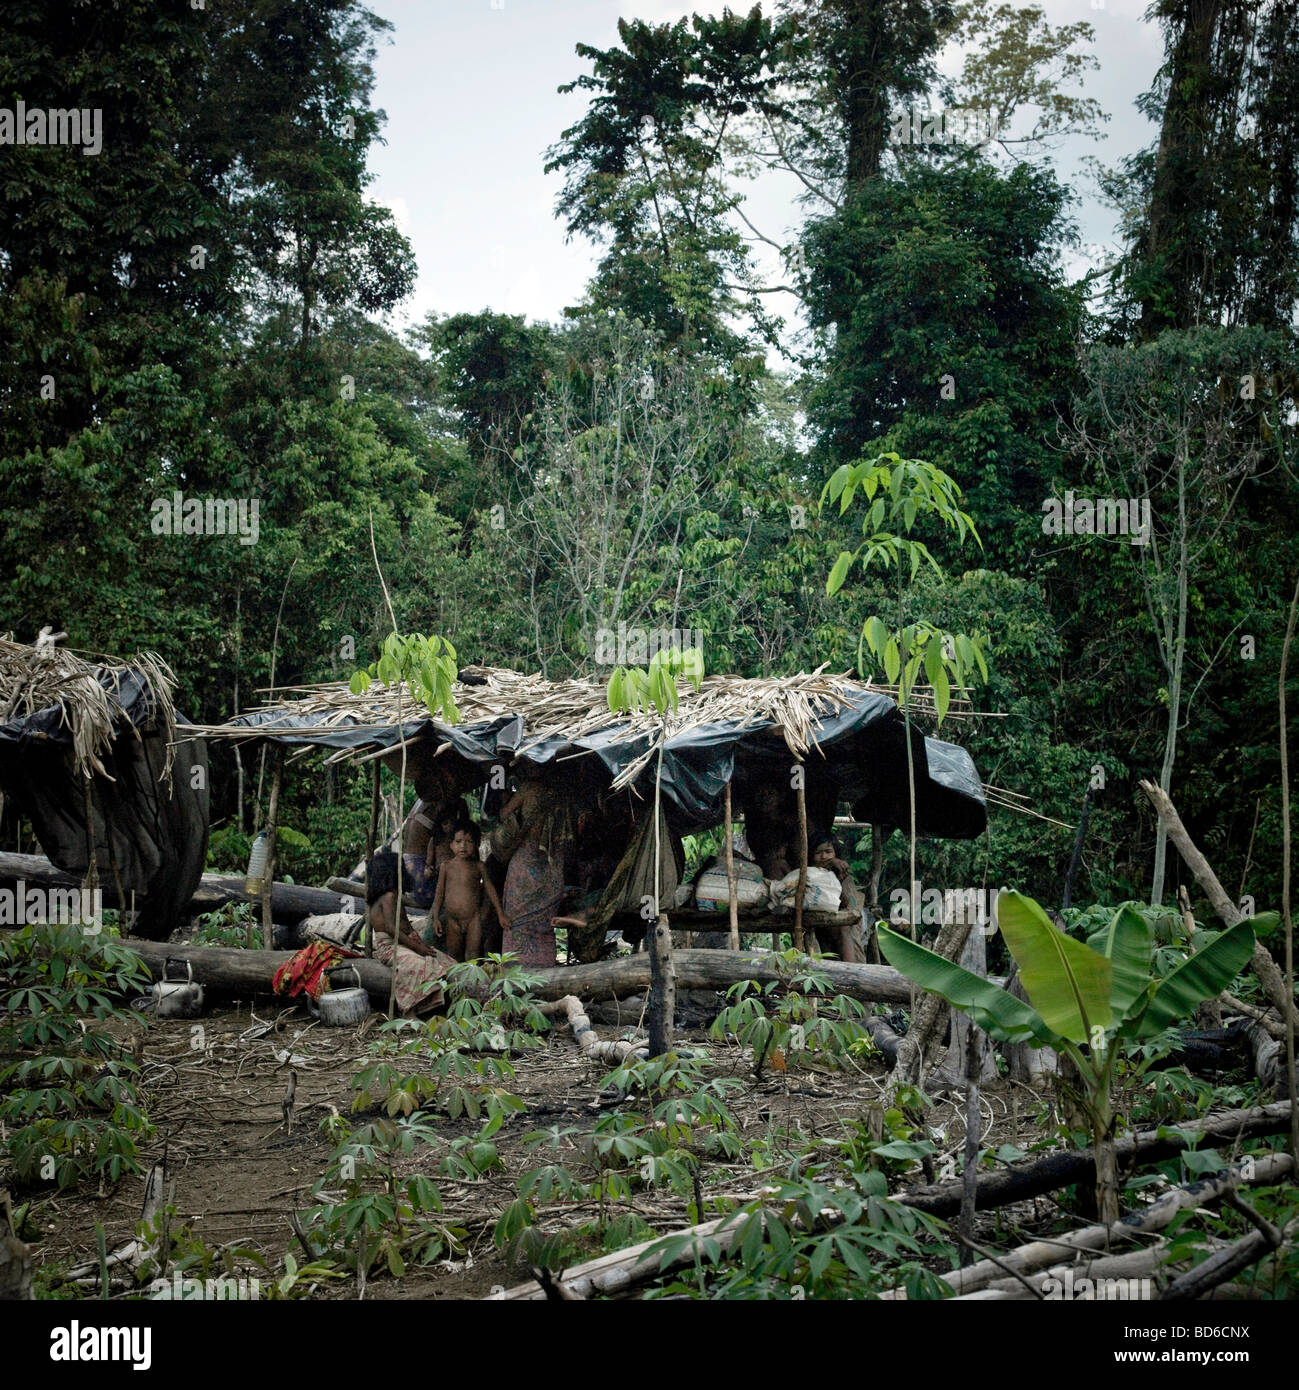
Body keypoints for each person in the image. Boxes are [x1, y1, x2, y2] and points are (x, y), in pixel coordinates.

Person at [365, 851, 455, 1016]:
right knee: (416, 964)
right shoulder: (389, 896)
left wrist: (419, 943)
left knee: (441, 959)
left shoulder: (393, 896)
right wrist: (416, 947)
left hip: (401, 943)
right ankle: (409, 1012)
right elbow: (392, 929)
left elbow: (405, 925)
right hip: (389, 946)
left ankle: (445, 1003)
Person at [432, 821, 509, 961]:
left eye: (469, 842)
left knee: (473, 955)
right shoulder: (446, 866)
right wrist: (436, 917)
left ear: (476, 845)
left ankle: (473, 983)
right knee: (454, 955)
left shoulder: (479, 866)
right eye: (458, 841)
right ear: (451, 844)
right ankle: (457, 983)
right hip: (452, 920)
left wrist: (500, 914)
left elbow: (490, 890)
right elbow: (439, 893)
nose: (463, 846)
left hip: (473, 919)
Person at [811, 835, 867, 964]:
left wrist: (839, 880)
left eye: (828, 852)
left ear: (836, 854)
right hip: (822, 922)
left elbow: (851, 908)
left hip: (847, 921)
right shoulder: (811, 874)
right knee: (823, 935)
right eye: (818, 853)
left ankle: (850, 970)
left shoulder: (844, 876)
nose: (823, 857)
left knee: (844, 928)